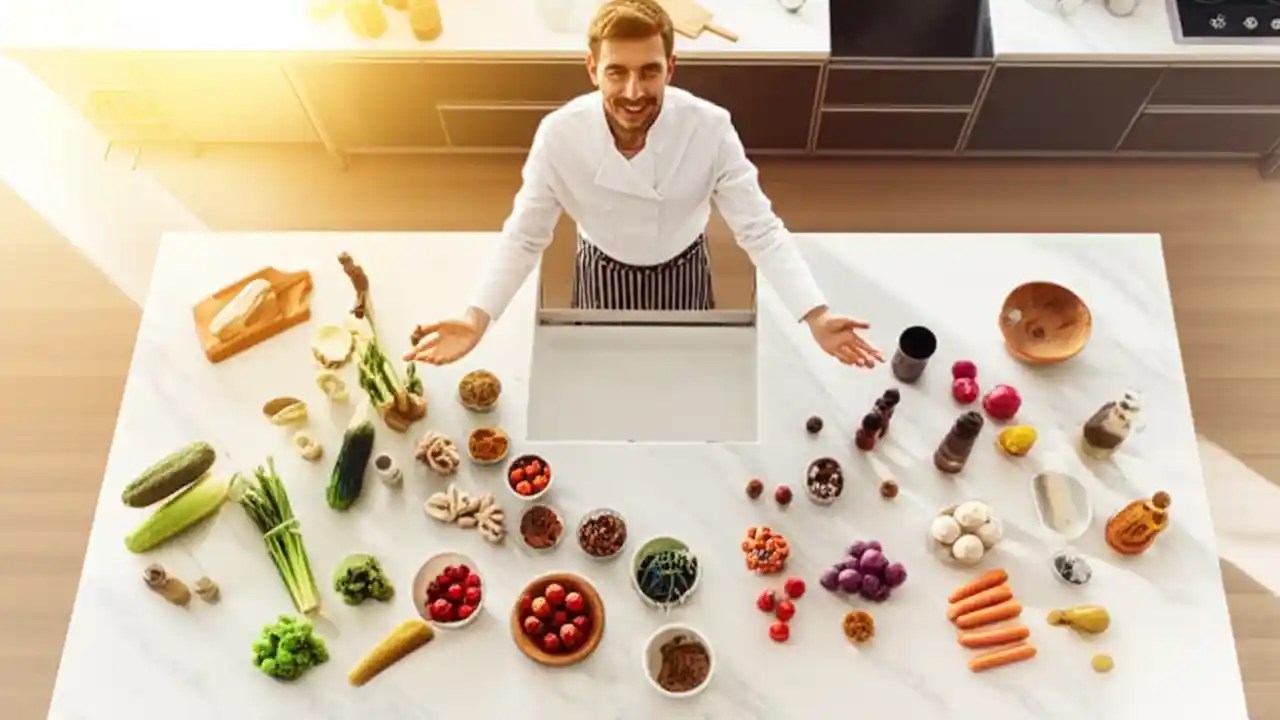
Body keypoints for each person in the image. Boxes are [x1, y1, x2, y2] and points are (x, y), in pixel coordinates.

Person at [406, 0, 882, 369]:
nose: (634, 92)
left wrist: (814, 314)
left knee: (682, 356)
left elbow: (760, 228)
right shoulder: (558, 136)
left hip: (685, 261)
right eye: (617, 72)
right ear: (593, 70)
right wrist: (476, 317)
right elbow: (524, 236)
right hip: (600, 264)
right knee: (608, 358)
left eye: (649, 71)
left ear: (670, 68)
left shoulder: (711, 128)